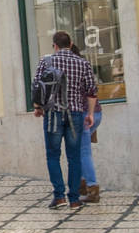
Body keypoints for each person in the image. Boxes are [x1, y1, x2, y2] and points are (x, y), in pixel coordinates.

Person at [33, 31, 98, 210]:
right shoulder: (83, 63)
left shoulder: (46, 62)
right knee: (74, 157)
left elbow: (37, 86)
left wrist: (38, 107)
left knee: (53, 155)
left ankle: (59, 196)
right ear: (70, 44)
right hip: (76, 114)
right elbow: (92, 90)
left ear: (54, 45)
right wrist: (90, 114)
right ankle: (75, 199)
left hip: (53, 113)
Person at [73, 44, 103, 204]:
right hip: (97, 112)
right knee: (81, 151)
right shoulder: (85, 66)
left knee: (83, 152)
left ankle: (92, 188)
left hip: (85, 115)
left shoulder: (73, 68)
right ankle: (83, 185)